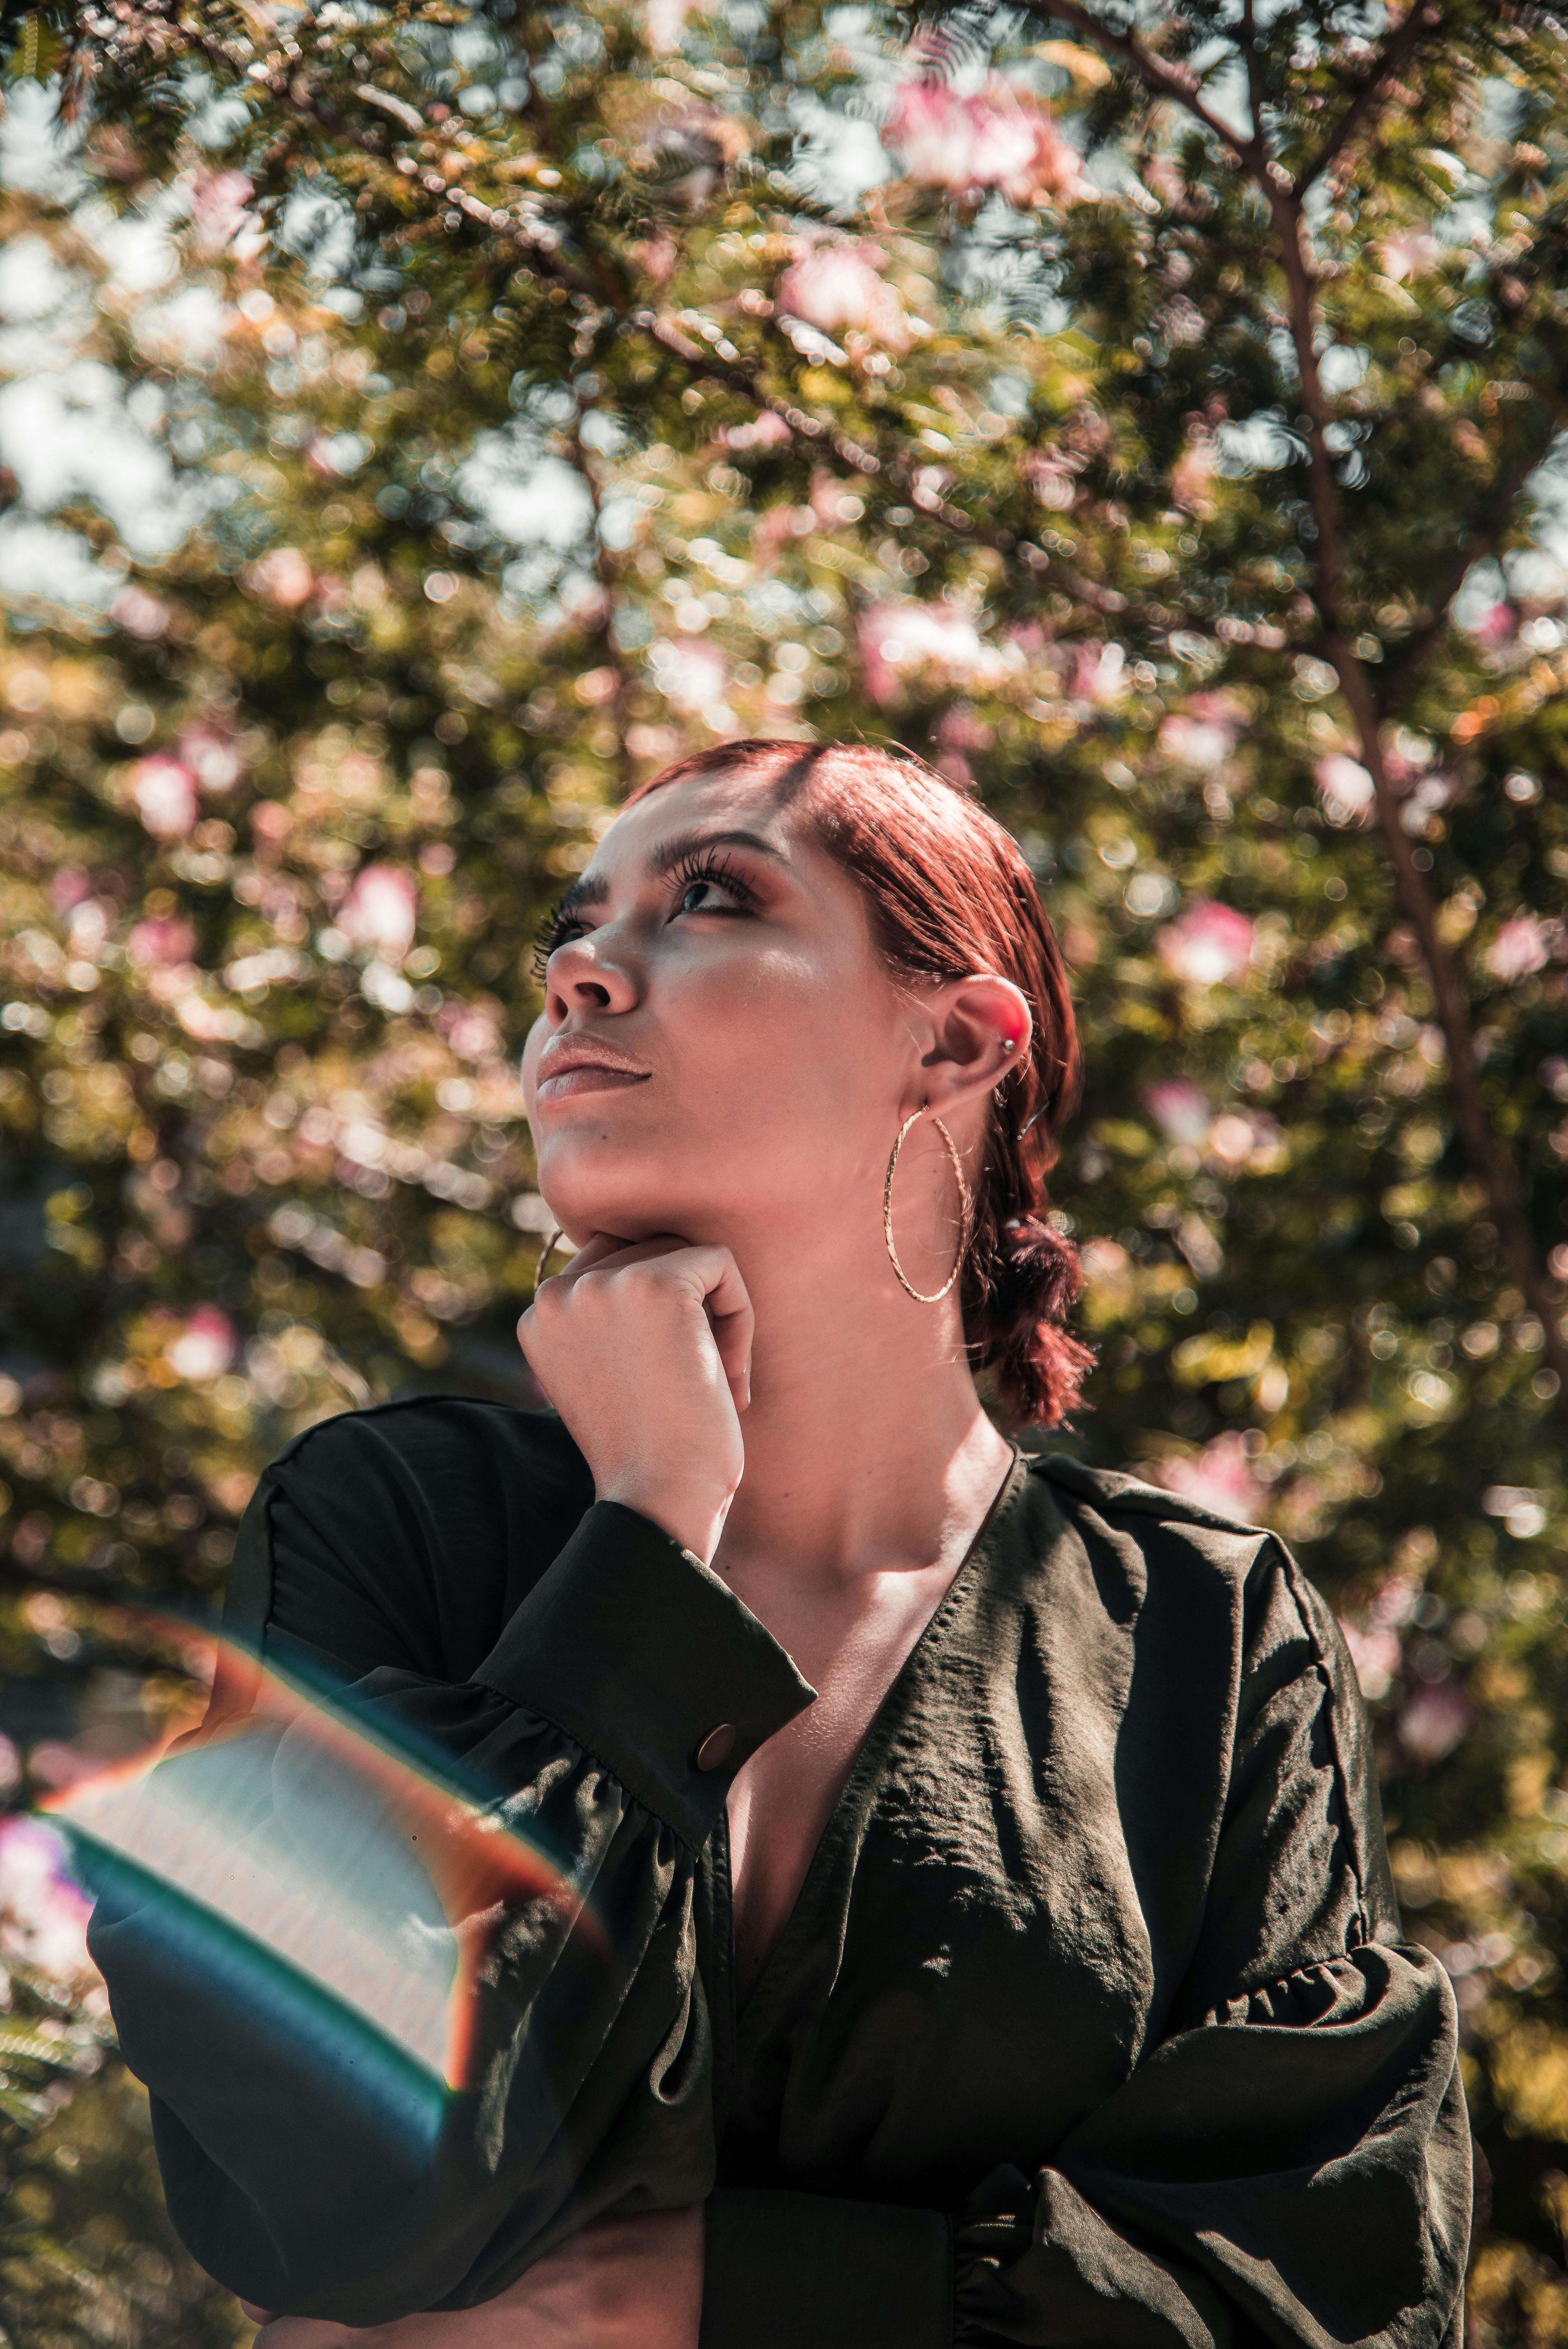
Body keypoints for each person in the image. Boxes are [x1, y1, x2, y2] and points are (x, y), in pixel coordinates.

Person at [88, 740, 1470, 2348]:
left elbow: (1315, 2291)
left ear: (953, 1040)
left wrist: (693, 2295)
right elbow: (324, 2177)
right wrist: (651, 1522)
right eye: (573, 925)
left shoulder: (1204, 1641)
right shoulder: (396, 1520)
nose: (580, 972)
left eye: (707, 900)